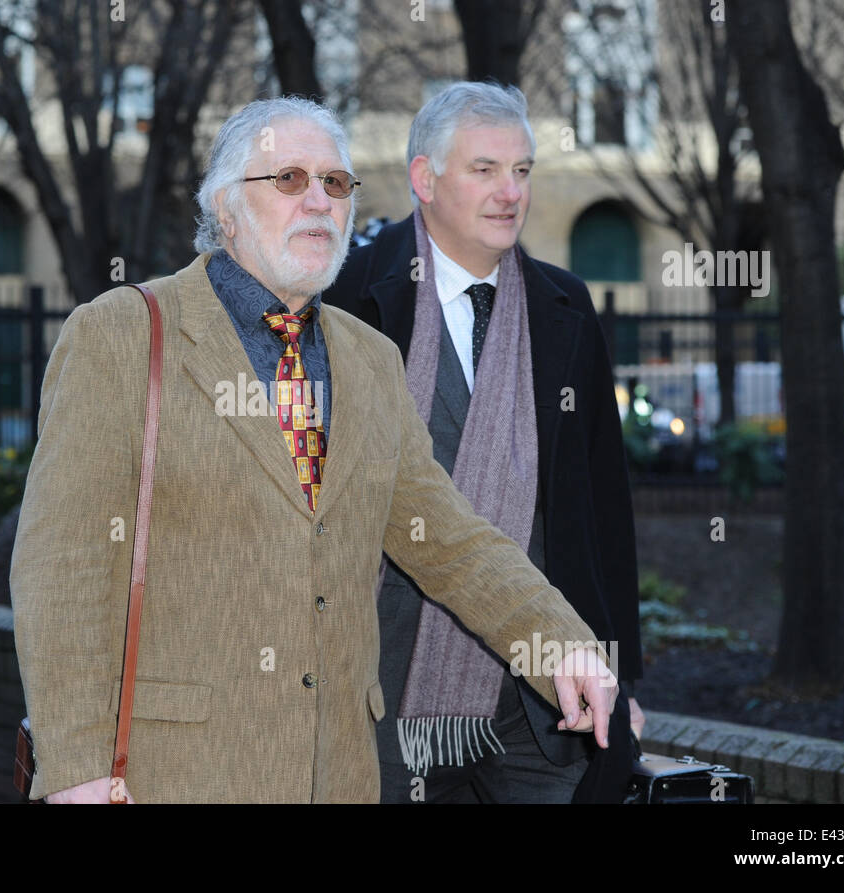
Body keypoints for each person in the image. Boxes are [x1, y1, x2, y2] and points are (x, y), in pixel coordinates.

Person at [10, 96, 619, 804]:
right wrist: (78, 766)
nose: (319, 201)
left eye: (335, 184)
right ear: (226, 204)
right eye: (290, 179)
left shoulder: (371, 361)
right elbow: (64, 567)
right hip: (170, 774)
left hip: (338, 773)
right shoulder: (123, 334)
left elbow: (451, 541)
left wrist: (559, 641)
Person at [324, 81, 644, 803]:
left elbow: (600, 506)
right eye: (485, 170)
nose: (510, 192)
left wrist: (620, 675)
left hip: (540, 700)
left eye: (523, 170)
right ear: (423, 179)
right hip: (386, 685)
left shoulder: (564, 307)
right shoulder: (351, 297)